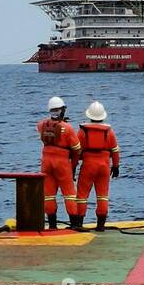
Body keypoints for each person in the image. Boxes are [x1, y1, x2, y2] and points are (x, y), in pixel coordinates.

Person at [74, 101, 119, 231]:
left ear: (89, 115)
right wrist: (115, 166)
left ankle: (79, 223)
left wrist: (73, 166)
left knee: (82, 195)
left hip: (88, 165)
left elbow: (76, 151)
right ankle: (100, 225)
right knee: (102, 195)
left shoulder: (83, 132)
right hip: (104, 166)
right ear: (103, 116)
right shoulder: (109, 132)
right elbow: (115, 150)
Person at [37, 95, 81, 230]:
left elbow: (48, 130)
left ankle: (52, 225)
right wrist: (73, 166)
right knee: (69, 192)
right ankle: (74, 223)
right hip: (62, 162)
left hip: (46, 161)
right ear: (62, 111)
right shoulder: (67, 129)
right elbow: (77, 149)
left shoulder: (41, 125)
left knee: (49, 194)